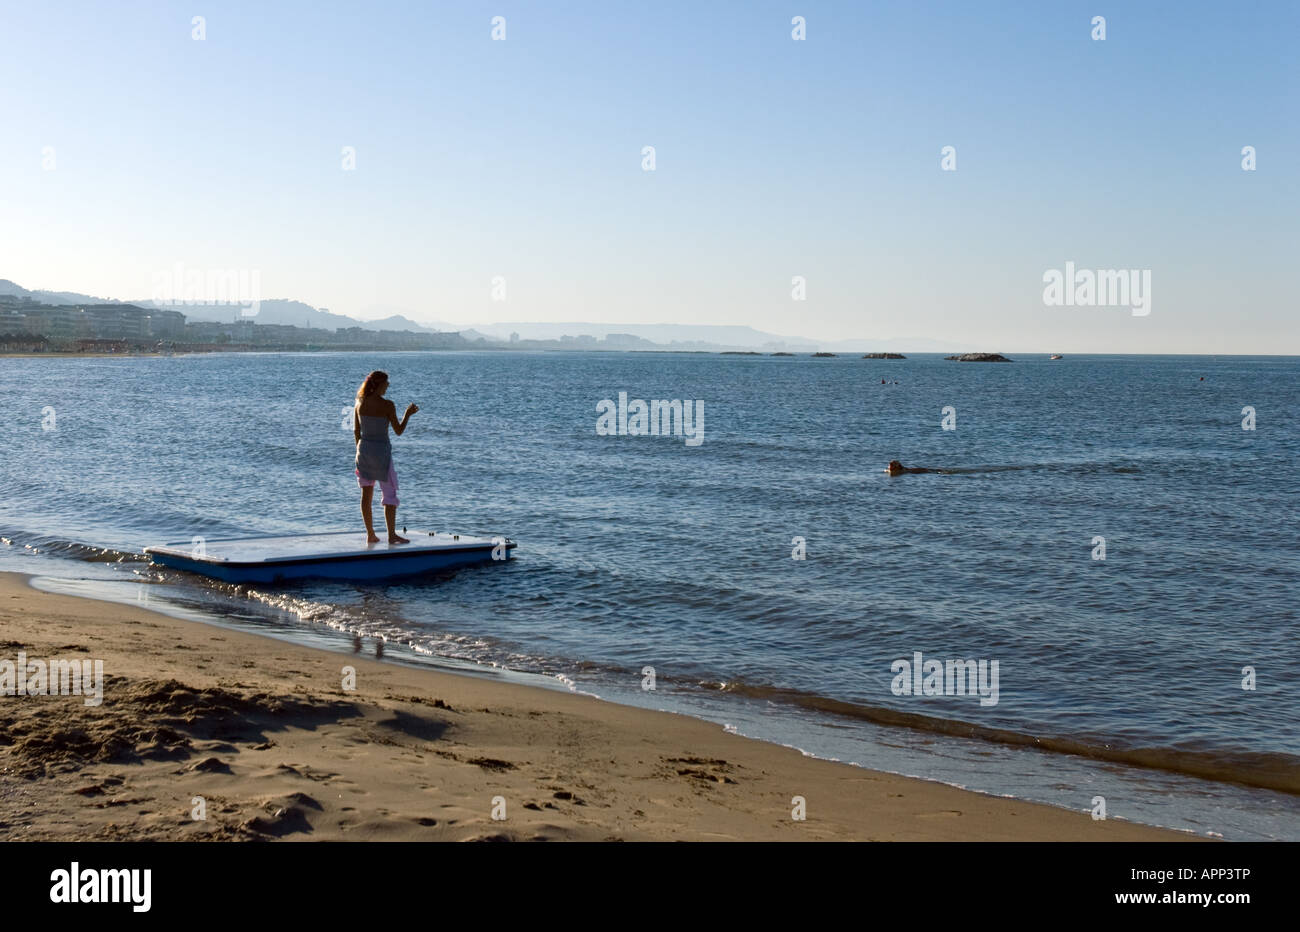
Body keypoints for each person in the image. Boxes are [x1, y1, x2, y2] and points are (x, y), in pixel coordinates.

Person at [354, 370, 418, 543]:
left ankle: (370, 534)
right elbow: (398, 431)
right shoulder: (388, 405)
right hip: (381, 453)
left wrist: (360, 449)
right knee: (389, 493)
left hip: (364, 451)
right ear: (379, 384)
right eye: (386, 383)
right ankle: (391, 535)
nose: (388, 385)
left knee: (366, 495)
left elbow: (356, 431)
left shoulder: (360, 403)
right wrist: (407, 415)